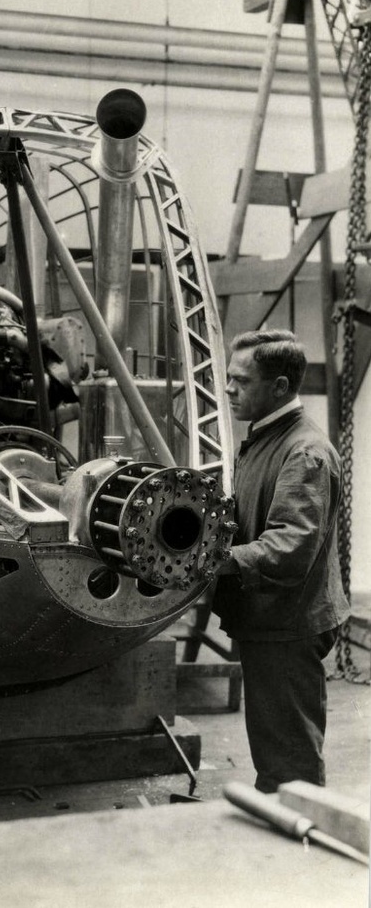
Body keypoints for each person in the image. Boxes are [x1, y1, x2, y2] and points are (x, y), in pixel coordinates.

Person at [212, 329, 350, 794]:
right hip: (269, 617)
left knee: (289, 760)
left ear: (280, 388)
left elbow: (291, 546)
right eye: (229, 379)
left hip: (290, 622)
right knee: (274, 748)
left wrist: (214, 561)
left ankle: (298, 851)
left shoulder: (304, 452)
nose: (228, 389)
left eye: (241, 381)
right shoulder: (264, 438)